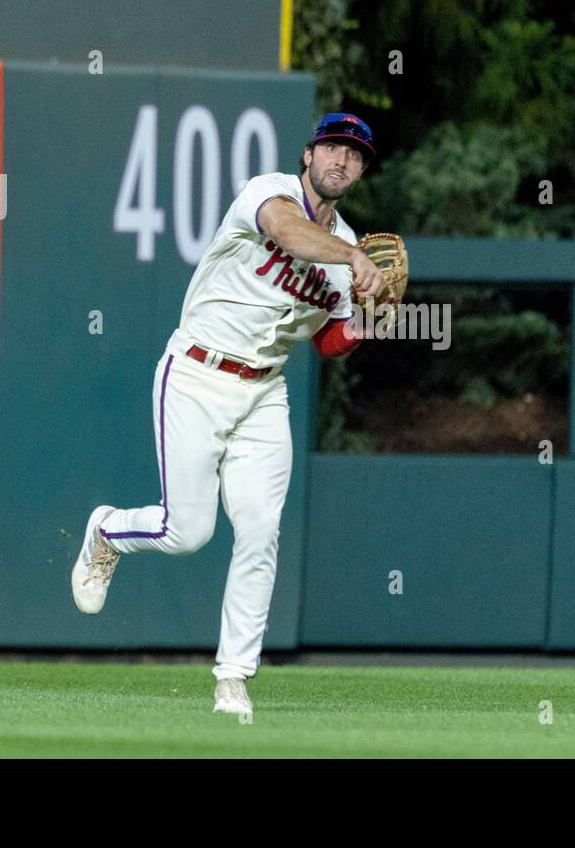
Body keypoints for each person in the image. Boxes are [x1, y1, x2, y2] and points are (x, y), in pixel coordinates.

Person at [72, 113, 385, 716]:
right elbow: (289, 234)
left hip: (265, 393)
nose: (341, 161)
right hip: (195, 372)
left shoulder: (347, 255)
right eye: (333, 148)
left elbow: (328, 341)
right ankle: (107, 531)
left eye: (355, 155)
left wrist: (371, 320)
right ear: (308, 154)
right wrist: (354, 259)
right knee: (187, 532)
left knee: (261, 531)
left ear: (362, 171)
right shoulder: (269, 193)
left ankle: (233, 678)